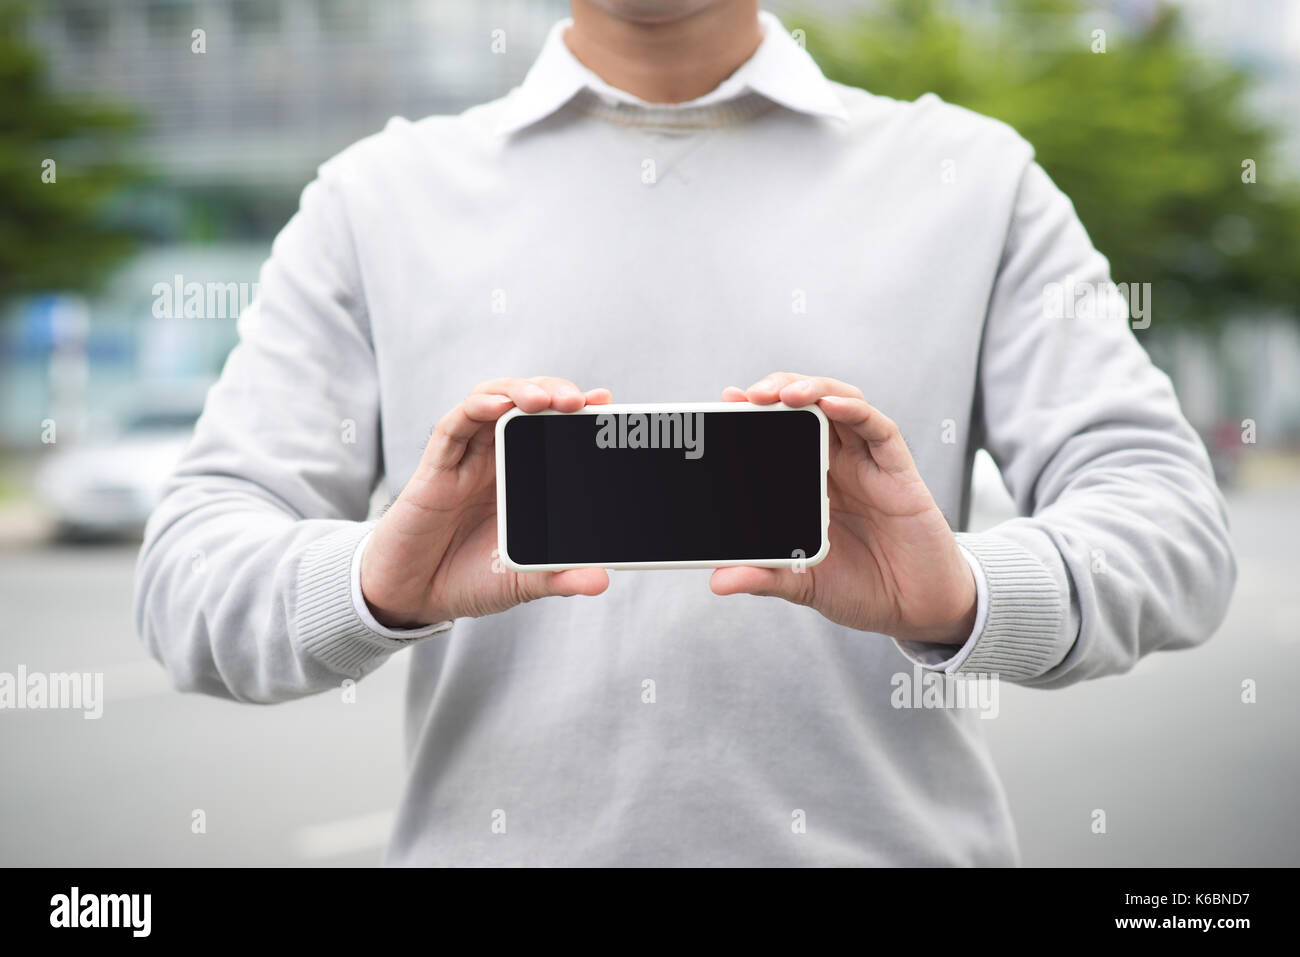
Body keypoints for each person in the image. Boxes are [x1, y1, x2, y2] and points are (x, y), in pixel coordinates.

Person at [134, 0, 1236, 866]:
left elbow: (1173, 527)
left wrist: (961, 594)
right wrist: (378, 577)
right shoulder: (374, 199)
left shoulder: (973, 179)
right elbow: (187, 580)